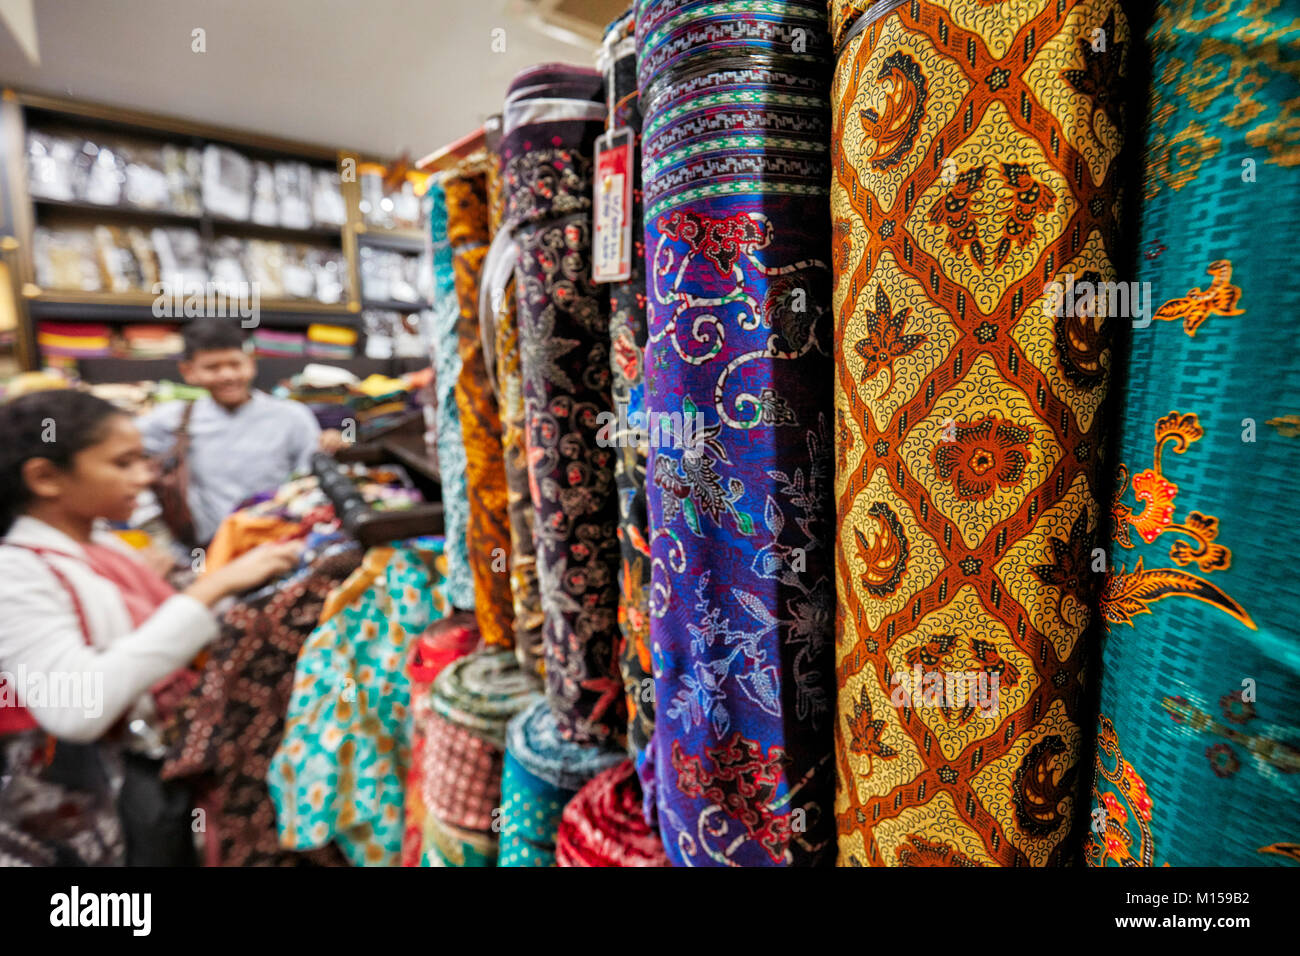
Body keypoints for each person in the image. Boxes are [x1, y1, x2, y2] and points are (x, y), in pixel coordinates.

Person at [0, 389, 302, 865]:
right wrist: (208, 591)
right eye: (123, 463)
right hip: (96, 808)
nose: (146, 476)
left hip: (152, 782)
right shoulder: (15, 573)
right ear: (44, 477)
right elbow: (75, 707)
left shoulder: (100, 542)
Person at [135, 318, 344, 547]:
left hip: (276, 545)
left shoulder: (292, 417)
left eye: (235, 364)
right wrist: (153, 529)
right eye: (212, 367)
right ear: (188, 371)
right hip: (202, 549)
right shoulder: (171, 419)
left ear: (251, 363)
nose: (227, 375)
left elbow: (311, 485)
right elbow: (126, 461)